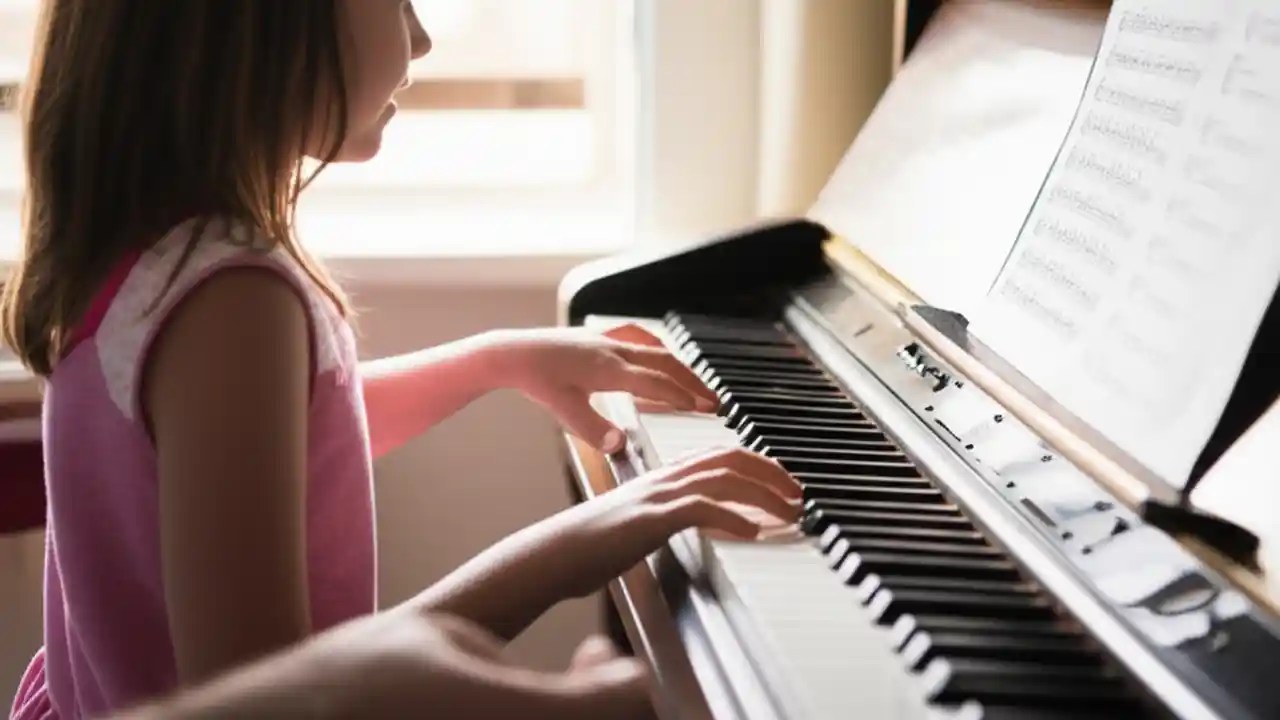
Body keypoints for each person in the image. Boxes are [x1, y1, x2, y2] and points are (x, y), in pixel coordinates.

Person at [0, 2, 800, 719]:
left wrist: (493, 362)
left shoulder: (150, 254)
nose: (419, 39)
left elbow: (270, 457)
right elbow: (289, 693)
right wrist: (577, 544)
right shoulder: (231, 299)